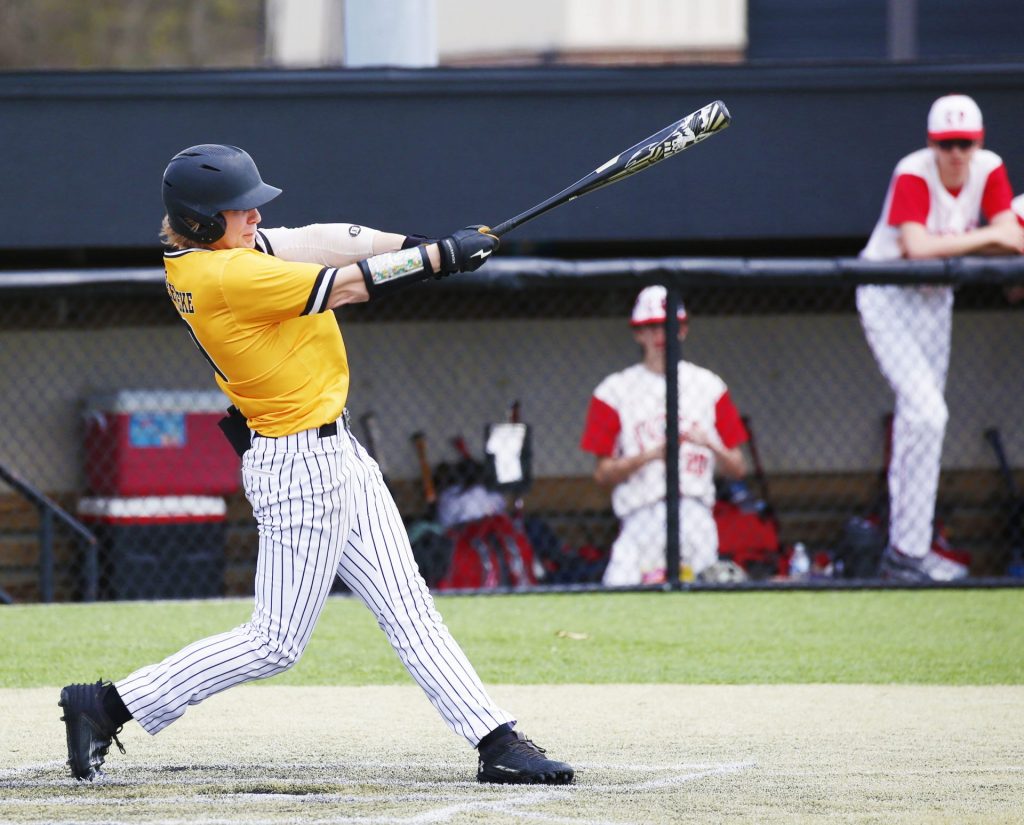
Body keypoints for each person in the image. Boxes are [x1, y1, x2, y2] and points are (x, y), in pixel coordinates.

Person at [58, 143, 573, 786]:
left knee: (409, 608)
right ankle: (107, 705)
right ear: (199, 221)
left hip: (336, 453)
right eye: (238, 210)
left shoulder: (229, 250)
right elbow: (348, 284)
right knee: (275, 642)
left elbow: (329, 240)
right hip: (297, 466)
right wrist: (440, 260)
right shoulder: (222, 277)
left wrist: (423, 243)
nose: (254, 218)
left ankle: (496, 740)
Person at [857, 94, 1024, 582]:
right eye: (947, 143)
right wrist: (986, 236)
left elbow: (1011, 239)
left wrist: (997, 236)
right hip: (888, 293)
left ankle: (909, 550)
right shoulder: (913, 170)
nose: (956, 154)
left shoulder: (989, 167)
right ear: (932, 143)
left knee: (924, 421)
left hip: (935, 299)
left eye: (965, 144)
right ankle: (906, 550)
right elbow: (918, 247)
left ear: (978, 143)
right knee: (928, 412)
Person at [579, 285, 749, 585]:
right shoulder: (613, 391)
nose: (661, 336)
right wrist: (650, 456)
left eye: (669, 326)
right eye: (652, 327)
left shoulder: (709, 386)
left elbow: (738, 467)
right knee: (617, 591)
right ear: (638, 333)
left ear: (682, 330)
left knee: (704, 599)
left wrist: (709, 442)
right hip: (641, 512)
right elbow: (602, 475)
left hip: (695, 511)